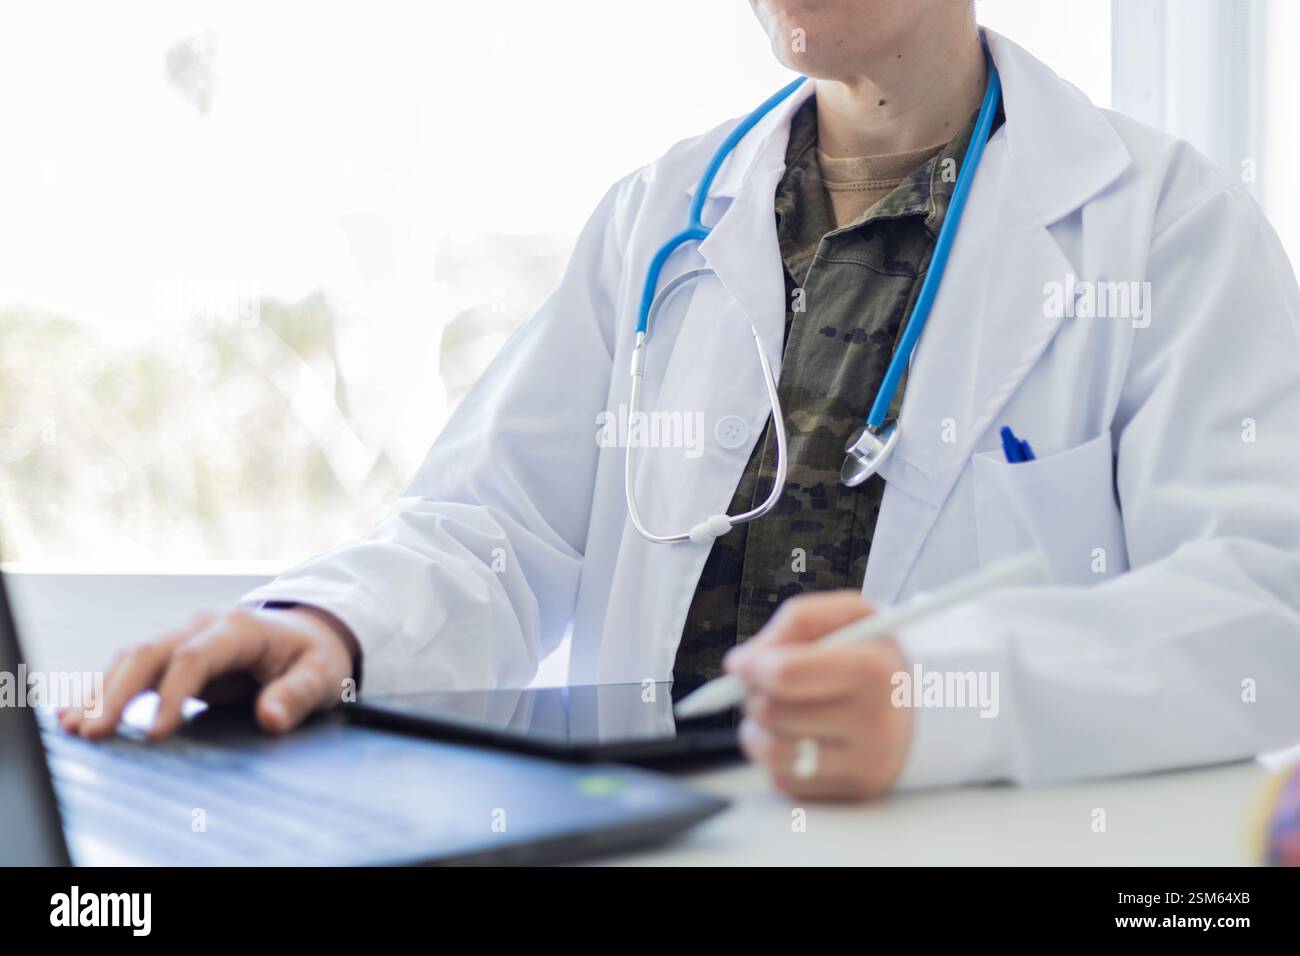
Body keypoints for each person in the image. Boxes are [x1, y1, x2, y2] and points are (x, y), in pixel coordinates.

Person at [63, 0, 1300, 800]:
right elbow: (495, 525)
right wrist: (330, 627)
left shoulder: (1167, 228)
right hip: (662, 840)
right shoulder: (661, 214)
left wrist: (953, 695)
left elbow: (1266, 605)